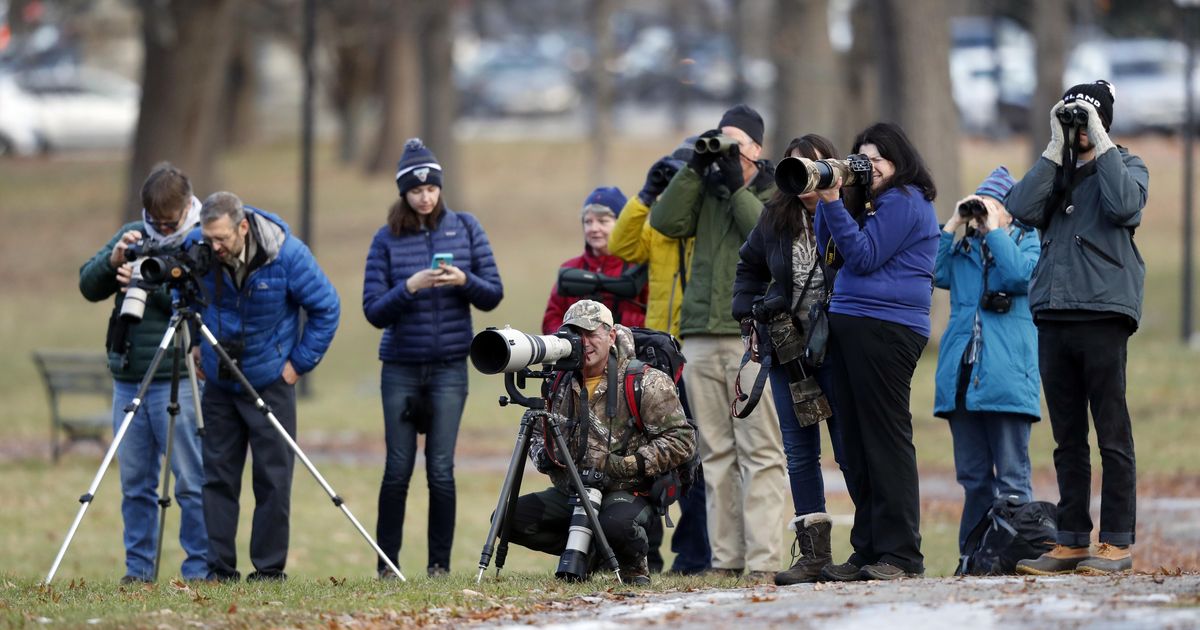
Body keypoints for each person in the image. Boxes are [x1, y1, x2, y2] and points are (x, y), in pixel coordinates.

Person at [1009, 81, 1148, 576]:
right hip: (1053, 312)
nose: (1078, 130)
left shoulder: (1128, 164)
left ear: (1104, 123)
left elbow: (1125, 206)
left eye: (1086, 121)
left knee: (1111, 431)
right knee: (1067, 437)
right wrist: (1054, 147)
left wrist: (1099, 140)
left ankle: (1115, 540)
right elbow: (1021, 209)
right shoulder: (1056, 171)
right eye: (1071, 120)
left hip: (1103, 312)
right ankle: (1070, 539)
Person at [650, 104, 787, 581]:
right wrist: (693, 168)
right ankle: (726, 559)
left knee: (761, 451)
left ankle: (766, 560)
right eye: (720, 139)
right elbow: (664, 222)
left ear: (756, 149)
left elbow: (766, 236)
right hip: (701, 337)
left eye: (736, 142)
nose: (726, 149)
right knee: (715, 454)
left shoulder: (774, 189)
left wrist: (734, 190)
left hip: (752, 338)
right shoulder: (703, 190)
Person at [363, 138, 504, 578]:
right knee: (398, 468)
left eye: (431, 188)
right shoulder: (386, 239)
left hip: (448, 367)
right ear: (403, 192)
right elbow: (373, 310)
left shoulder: (465, 228)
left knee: (441, 469)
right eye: (416, 190)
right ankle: (388, 566)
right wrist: (410, 288)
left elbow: (493, 294)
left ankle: (439, 566)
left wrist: (464, 280)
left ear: (440, 188)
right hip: (401, 367)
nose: (425, 197)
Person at [813, 121, 940, 581]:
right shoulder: (870, 204)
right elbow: (828, 248)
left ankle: (902, 554)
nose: (871, 167)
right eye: (861, 158)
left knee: (885, 441)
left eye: (877, 158)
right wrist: (832, 194)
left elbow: (864, 257)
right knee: (857, 444)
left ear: (899, 161)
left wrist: (833, 203)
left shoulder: (906, 201)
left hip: (887, 329)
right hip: (853, 327)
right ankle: (867, 551)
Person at [192, 191, 341, 582]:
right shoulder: (199, 248)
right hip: (220, 384)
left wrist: (297, 365)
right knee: (217, 476)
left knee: (273, 479)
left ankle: (269, 570)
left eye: (221, 238)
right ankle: (219, 569)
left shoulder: (287, 255)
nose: (214, 247)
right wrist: (195, 343)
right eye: (209, 239)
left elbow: (327, 307)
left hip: (271, 380)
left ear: (242, 227)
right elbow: (183, 295)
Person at [79, 163, 208, 583]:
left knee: (190, 480)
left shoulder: (200, 239)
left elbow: (199, 301)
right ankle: (138, 571)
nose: (161, 227)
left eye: (169, 221)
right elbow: (87, 284)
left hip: (179, 377)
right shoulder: (134, 234)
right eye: (155, 220)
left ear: (187, 208)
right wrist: (116, 261)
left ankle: (198, 568)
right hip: (129, 375)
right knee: (135, 483)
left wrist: (151, 284)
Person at [507, 300, 696, 586]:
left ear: (610, 336)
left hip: (627, 490)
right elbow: (537, 431)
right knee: (509, 518)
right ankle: (595, 554)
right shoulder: (559, 381)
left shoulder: (644, 380)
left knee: (615, 525)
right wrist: (543, 455)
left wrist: (628, 464)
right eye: (575, 335)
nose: (583, 343)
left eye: (591, 334)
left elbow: (683, 440)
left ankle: (632, 562)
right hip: (574, 489)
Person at [733, 134, 846, 585]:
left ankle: (869, 550)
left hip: (839, 345)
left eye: (814, 166)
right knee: (799, 454)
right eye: (796, 167)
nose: (805, 177)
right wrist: (747, 311)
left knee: (848, 449)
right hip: (787, 348)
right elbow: (748, 267)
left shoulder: (849, 210)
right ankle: (814, 555)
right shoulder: (775, 216)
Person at [610, 141, 712, 575]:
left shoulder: (704, 224)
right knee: (654, 453)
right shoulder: (661, 224)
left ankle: (695, 555)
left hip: (699, 348)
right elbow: (622, 245)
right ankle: (648, 552)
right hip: (660, 353)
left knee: (695, 459)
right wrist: (646, 197)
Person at [933, 166, 1041, 556]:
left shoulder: (1028, 241)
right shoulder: (963, 250)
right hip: (963, 379)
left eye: (994, 206)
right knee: (974, 479)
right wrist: (953, 223)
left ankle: (1015, 556)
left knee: (1012, 480)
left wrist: (996, 230)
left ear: (1010, 212)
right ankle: (972, 558)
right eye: (981, 206)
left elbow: (1019, 277)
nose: (983, 214)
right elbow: (933, 271)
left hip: (1007, 377)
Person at [542, 186, 648, 334]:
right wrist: (573, 335)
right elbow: (551, 320)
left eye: (602, 221)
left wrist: (613, 321)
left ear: (622, 225)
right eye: (588, 222)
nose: (594, 228)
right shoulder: (571, 268)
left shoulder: (639, 268)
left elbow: (655, 319)